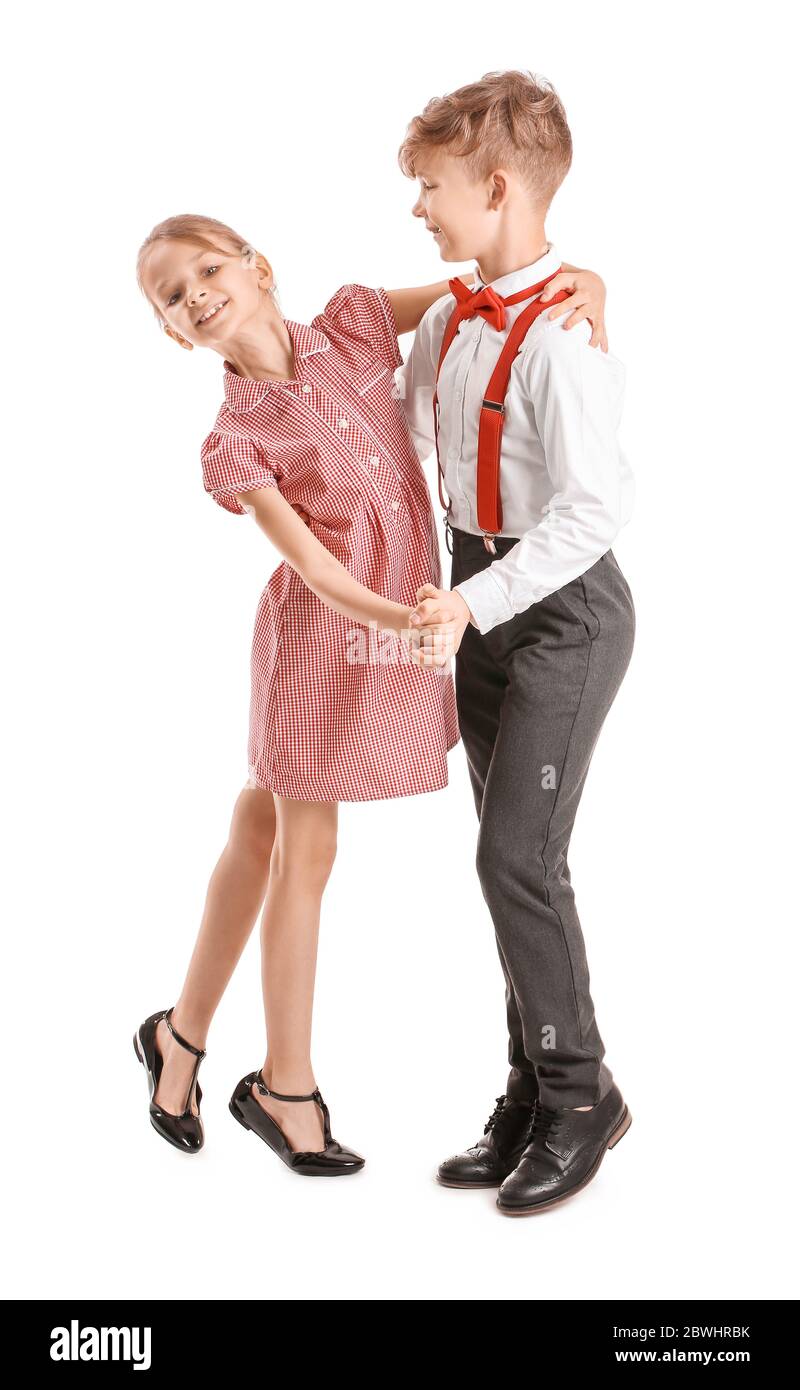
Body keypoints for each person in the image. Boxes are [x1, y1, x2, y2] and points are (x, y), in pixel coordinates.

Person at [132, 211, 609, 1181]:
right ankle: (285, 1085)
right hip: (325, 642)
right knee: (303, 848)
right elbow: (311, 568)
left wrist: (584, 283)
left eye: (207, 269)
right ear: (174, 333)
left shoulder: (351, 323)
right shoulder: (235, 438)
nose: (196, 294)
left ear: (259, 267)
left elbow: (488, 295)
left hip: (405, 624)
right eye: (172, 297)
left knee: (257, 832)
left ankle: (177, 1038)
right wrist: (412, 625)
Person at [395, 69, 636, 1215]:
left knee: (511, 859)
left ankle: (582, 1094)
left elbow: (593, 510)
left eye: (430, 190)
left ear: (494, 189)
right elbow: (396, 438)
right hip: (471, 595)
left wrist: (477, 604)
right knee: (517, 861)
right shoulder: (447, 320)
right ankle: (528, 1090)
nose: (417, 210)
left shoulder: (563, 338)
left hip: (560, 614)